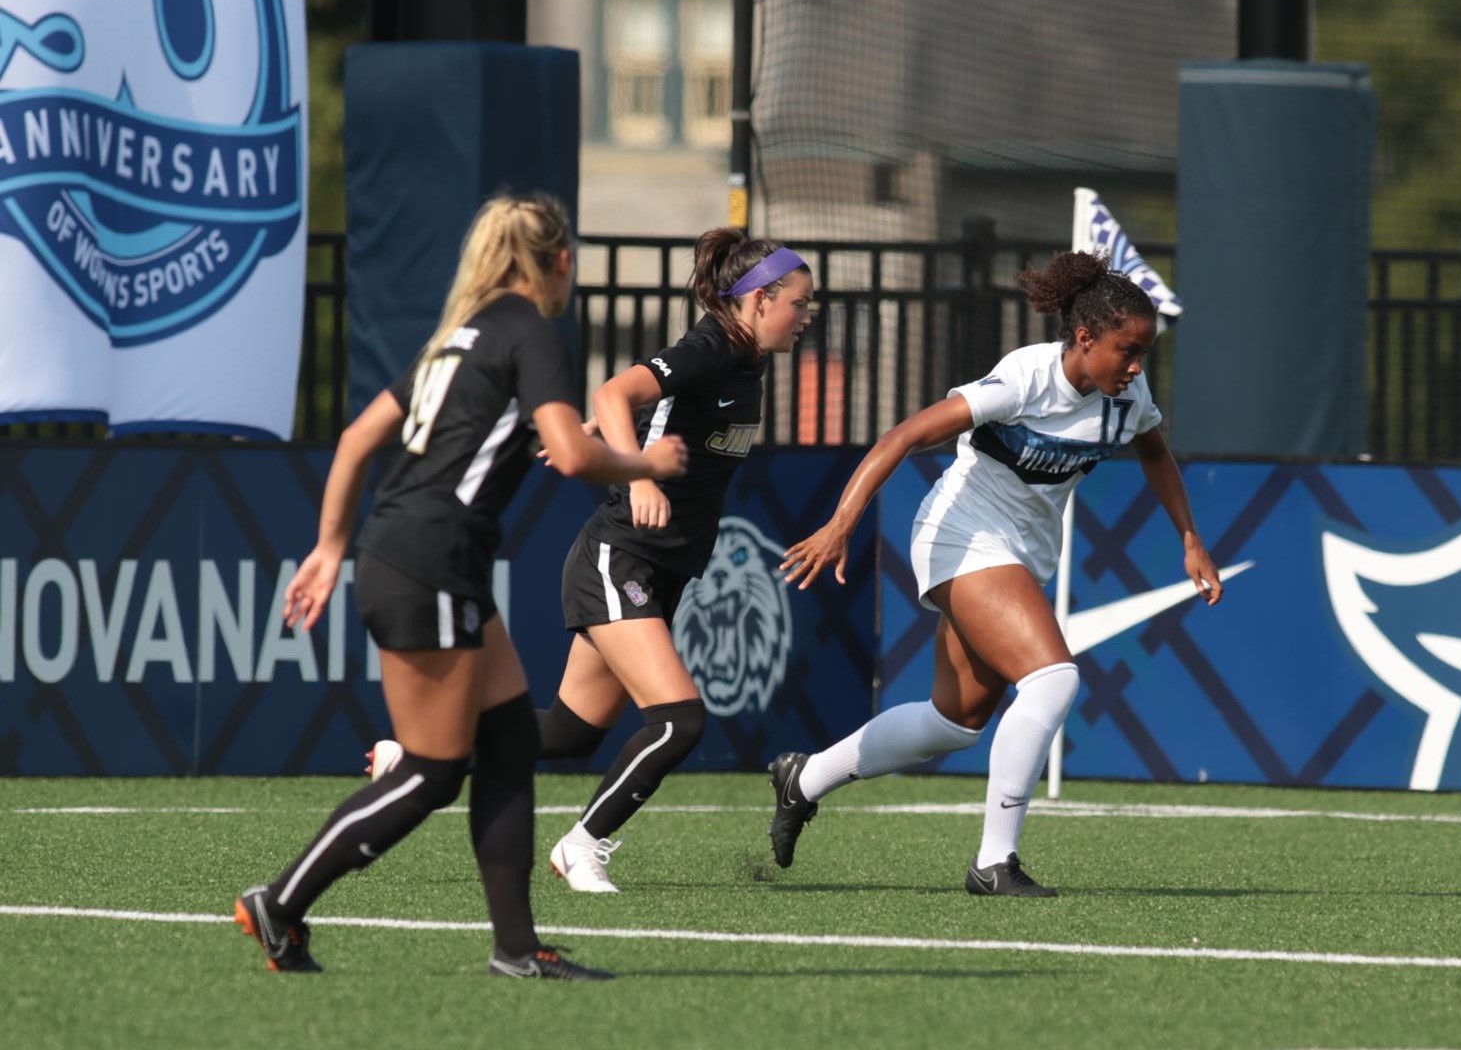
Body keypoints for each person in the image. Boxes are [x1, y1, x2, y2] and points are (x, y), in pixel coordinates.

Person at [234, 193, 687, 979]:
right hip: (431, 561)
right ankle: (281, 902)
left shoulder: (460, 338)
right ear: (557, 261)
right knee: (431, 770)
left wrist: (332, 545)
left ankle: (517, 949)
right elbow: (575, 458)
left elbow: (355, 439)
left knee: (510, 743)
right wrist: (648, 462)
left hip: (424, 557)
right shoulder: (528, 331)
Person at [768, 250, 1222, 896]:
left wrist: (1190, 539)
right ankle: (994, 863)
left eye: (1144, 353)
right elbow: (900, 436)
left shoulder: (1129, 397)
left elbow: (1155, 453)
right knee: (1054, 679)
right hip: (961, 537)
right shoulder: (1024, 380)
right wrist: (842, 523)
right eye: (1127, 350)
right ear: (1085, 337)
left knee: (952, 724)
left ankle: (803, 778)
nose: (1136, 366)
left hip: (1019, 555)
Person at [374, 230, 811, 892]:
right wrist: (637, 477)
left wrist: (599, 440)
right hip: (621, 556)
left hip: (661, 567)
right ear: (755, 301)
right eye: (799, 304)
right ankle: (584, 845)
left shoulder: (746, 361)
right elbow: (612, 394)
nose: (806, 317)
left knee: (569, 732)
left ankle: (413, 755)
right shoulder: (707, 349)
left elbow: (657, 420)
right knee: (679, 720)